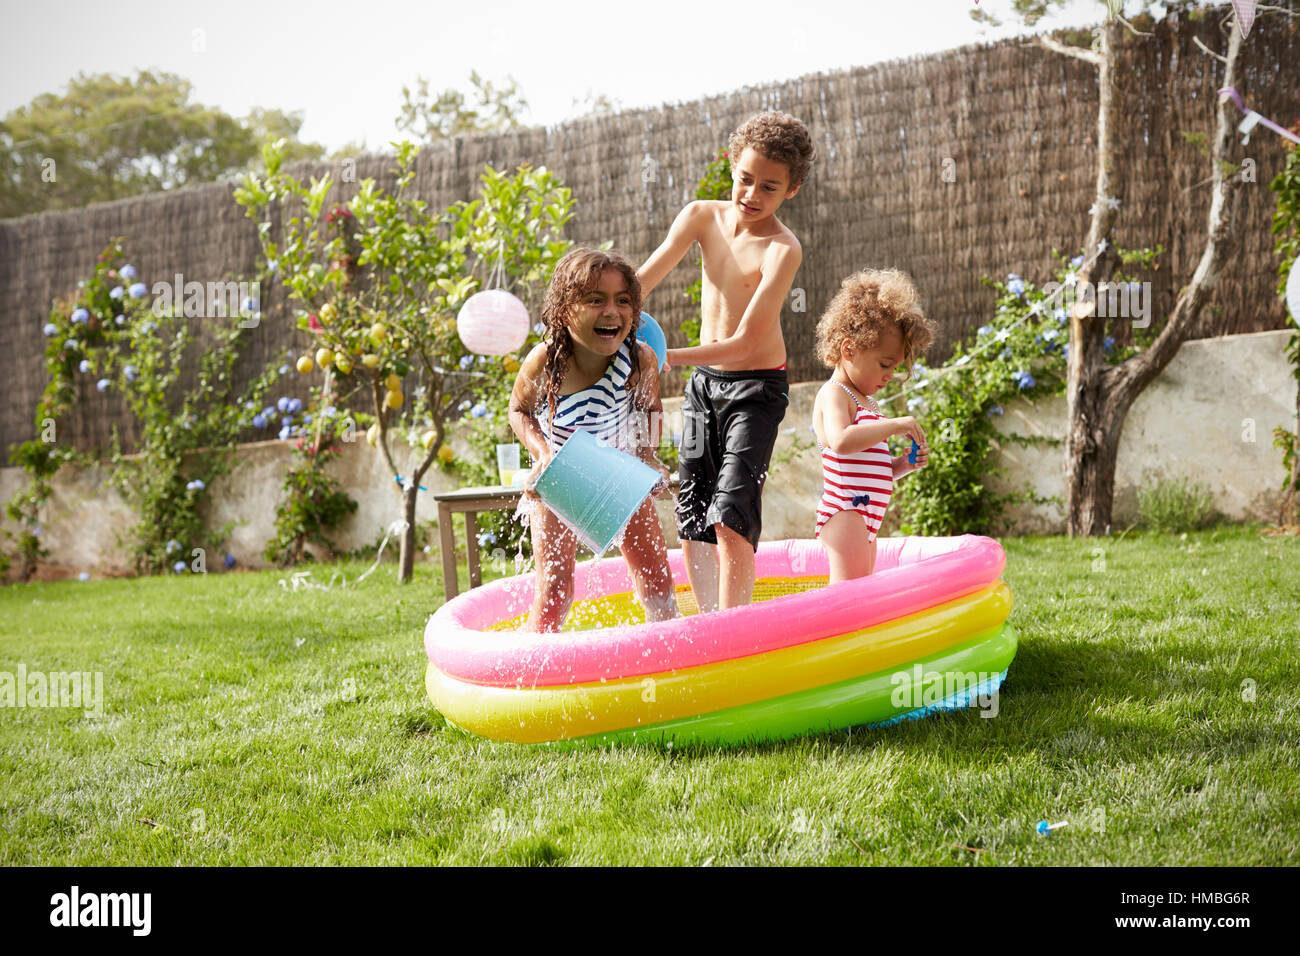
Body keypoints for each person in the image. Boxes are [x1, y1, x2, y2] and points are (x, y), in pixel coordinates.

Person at [637, 111, 815, 611]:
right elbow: (641, 282)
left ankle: (733, 630)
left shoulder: (782, 249)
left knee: (730, 514)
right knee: (692, 510)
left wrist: (665, 356)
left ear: (792, 190)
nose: (752, 194)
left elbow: (743, 341)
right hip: (702, 390)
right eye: (745, 178)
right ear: (733, 165)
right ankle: (708, 624)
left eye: (769, 187)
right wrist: (599, 315)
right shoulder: (700, 217)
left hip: (755, 392)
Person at [508, 248, 676, 632]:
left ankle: (667, 656)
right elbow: (519, 410)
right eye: (595, 300)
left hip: (619, 472)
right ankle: (536, 661)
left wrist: (647, 456)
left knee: (657, 581)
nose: (611, 311)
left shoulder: (640, 359)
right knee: (555, 591)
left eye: (623, 301)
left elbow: (650, 410)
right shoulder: (545, 360)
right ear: (565, 309)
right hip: (561, 475)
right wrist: (543, 455)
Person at [812, 269, 936, 583]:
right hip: (846, 511)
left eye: (895, 368)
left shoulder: (869, 403)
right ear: (849, 349)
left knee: (862, 590)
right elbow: (841, 441)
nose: (890, 376)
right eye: (884, 365)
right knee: (847, 594)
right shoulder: (835, 393)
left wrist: (904, 465)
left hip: (868, 515)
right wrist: (894, 426)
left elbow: (871, 466)